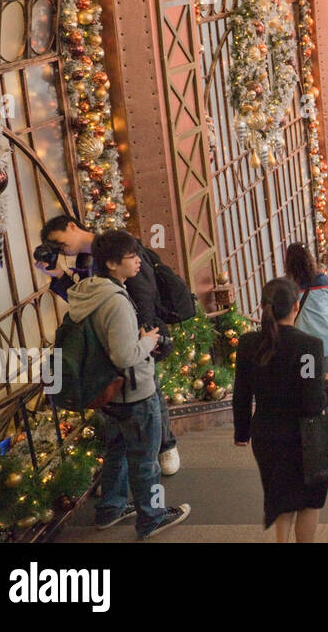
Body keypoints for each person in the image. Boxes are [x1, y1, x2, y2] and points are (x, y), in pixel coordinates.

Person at [70, 229, 191, 538]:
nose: (139, 261)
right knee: (146, 461)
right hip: (133, 393)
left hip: (109, 392)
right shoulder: (117, 302)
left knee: (118, 451)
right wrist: (149, 342)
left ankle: (110, 509)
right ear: (111, 264)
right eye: (132, 257)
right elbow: (124, 356)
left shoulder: (91, 290)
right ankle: (152, 516)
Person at [41, 215, 183, 476]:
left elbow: (143, 292)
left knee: (151, 393)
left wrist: (145, 334)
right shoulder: (84, 262)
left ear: (72, 227)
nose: (61, 250)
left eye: (59, 243)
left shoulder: (118, 250)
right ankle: (132, 484)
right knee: (125, 409)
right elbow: (84, 301)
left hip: (137, 334)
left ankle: (165, 446)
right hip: (111, 343)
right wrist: (59, 278)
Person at [233, 277, 328, 541]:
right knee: (308, 501)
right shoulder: (309, 347)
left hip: (266, 437)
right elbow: (312, 403)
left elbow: (241, 394)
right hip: (304, 440)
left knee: (280, 498)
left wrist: (242, 433)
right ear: (295, 307)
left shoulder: (247, 345)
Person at [284, 243, 328, 411]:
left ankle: (311, 423)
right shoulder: (323, 280)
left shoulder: (288, 287)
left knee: (307, 385)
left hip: (304, 346)